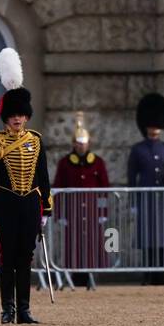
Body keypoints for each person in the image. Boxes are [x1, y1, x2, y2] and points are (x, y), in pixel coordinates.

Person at [0, 47, 52, 325]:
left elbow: (43, 176)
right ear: (6, 117)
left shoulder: (36, 139)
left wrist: (46, 206)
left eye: (21, 114)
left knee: (26, 257)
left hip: (30, 203)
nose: (18, 119)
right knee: (6, 257)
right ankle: (7, 309)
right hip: (6, 203)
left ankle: (24, 309)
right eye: (13, 115)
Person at [52, 112, 110, 288]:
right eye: (78, 143)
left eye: (84, 144)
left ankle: (91, 277)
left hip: (91, 211)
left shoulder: (98, 162)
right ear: (73, 144)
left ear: (88, 144)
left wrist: (103, 212)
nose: (81, 147)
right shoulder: (65, 163)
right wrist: (59, 214)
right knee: (73, 245)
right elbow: (58, 189)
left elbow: (105, 190)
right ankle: (73, 277)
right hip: (73, 211)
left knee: (92, 244)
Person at [128, 93, 164, 284]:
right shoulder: (138, 149)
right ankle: (148, 273)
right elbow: (132, 177)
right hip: (146, 197)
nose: (154, 127)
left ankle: (161, 275)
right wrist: (133, 202)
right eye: (151, 124)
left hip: (163, 198)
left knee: (162, 236)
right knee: (147, 236)